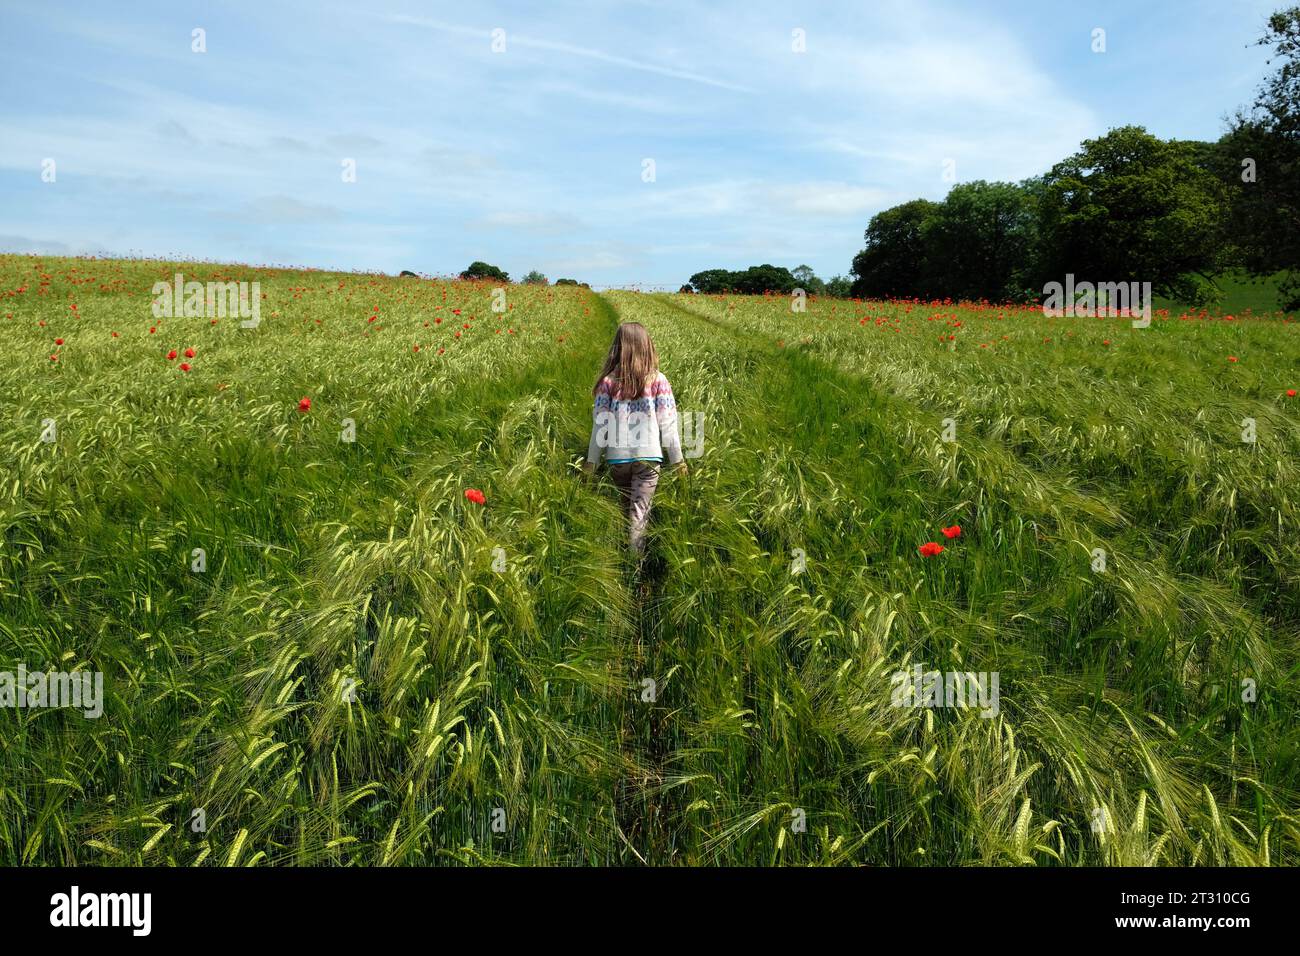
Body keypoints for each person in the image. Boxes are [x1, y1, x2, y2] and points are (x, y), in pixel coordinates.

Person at [583, 322, 686, 555]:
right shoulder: (659, 380)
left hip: (617, 459)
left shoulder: (607, 383)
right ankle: (634, 568)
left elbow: (600, 427)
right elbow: (668, 425)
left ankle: (618, 558)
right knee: (639, 513)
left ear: (618, 348)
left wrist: (591, 463)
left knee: (623, 509)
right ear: (646, 346)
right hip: (648, 460)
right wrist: (678, 461)